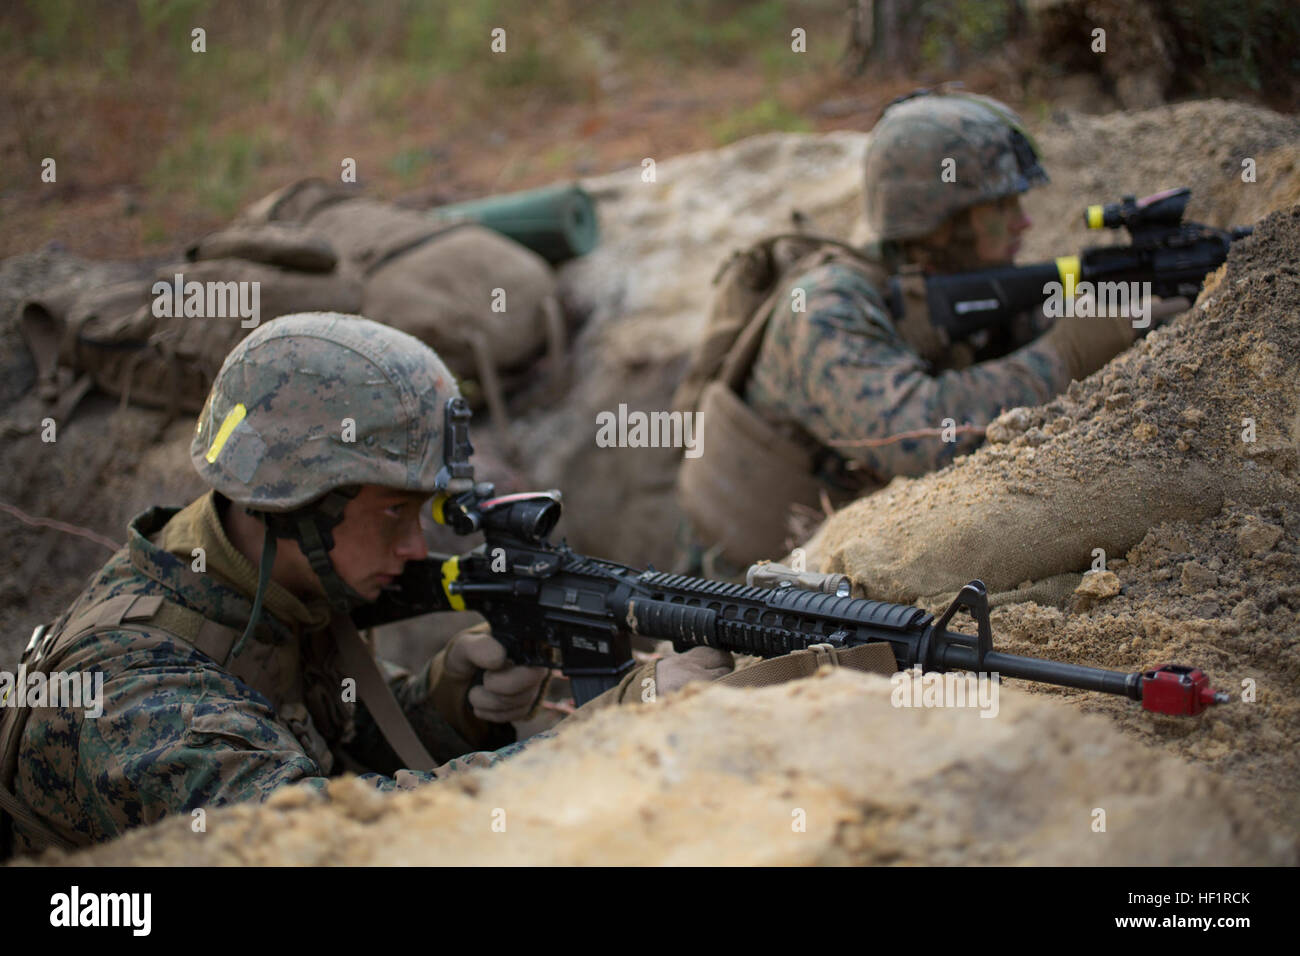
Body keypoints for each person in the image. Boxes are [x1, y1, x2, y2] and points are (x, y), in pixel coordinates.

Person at [0, 312, 729, 857]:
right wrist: (613, 733)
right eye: (393, 514)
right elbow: (325, 841)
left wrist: (449, 702)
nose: (416, 548)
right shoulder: (135, 688)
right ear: (294, 501)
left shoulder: (265, 590)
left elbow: (328, 742)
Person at [675, 88, 1141, 575]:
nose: (1023, 221)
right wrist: (1066, 355)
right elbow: (918, 437)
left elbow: (1032, 328)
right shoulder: (824, 307)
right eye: (1001, 206)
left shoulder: (953, 279)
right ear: (941, 223)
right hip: (737, 585)